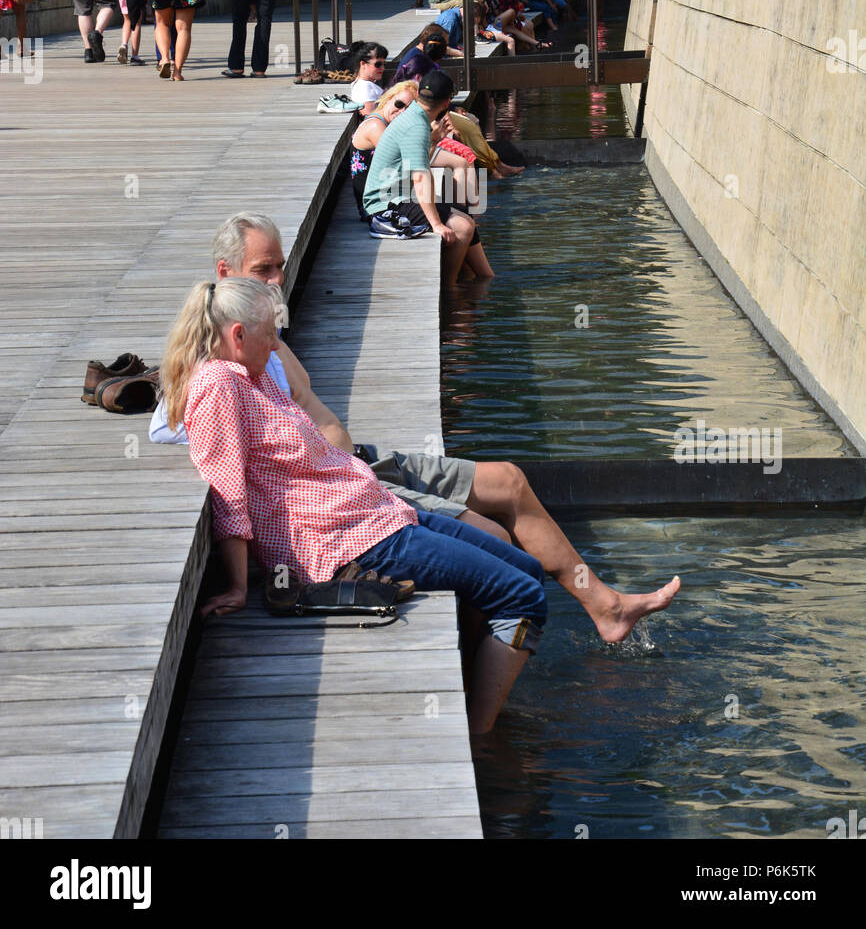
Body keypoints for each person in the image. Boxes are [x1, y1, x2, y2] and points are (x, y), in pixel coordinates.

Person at [149, 212, 681, 644]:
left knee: (513, 482)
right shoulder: (227, 370)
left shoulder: (258, 343)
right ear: (225, 274)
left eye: (279, 268)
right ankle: (512, 665)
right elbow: (193, 436)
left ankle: (601, 603)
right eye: (262, 270)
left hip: (356, 466)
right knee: (495, 535)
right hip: (342, 495)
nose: (276, 282)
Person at [164, 275, 549, 732]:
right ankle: (483, 736)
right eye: (270, 332)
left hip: (373, 513)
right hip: (341, 541)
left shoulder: (250, 375)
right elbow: (228, 491)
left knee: (528, 570)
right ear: (238, 335)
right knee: (523, 596)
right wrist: (236, 585)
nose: (276, 343)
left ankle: (477, 684)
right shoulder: (217, 388)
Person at [363, 70, 494, 280]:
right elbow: (420, 178)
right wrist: (436, 225)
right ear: (447, 102)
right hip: (386, 205)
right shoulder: (415, 125)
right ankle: (451, 289)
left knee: (464, 217)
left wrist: (434, 141)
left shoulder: (416, 116)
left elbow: (415, 165)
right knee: (462, 226)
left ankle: (485, 277)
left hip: (401, 193)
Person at [351, 80, 418, 217]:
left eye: (409, 109)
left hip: (388, 195)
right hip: (377, 205)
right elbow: (405, 160)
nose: (402, 111)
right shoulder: (376, 126)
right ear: (388, 98)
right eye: (399, 104)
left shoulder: (387, 124)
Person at [348, 41, 388, 115]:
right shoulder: (364, 88)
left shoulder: (362, 85)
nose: (382, 68)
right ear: (363, 64)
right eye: (378, 64)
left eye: (384, 64)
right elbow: (370, 117)